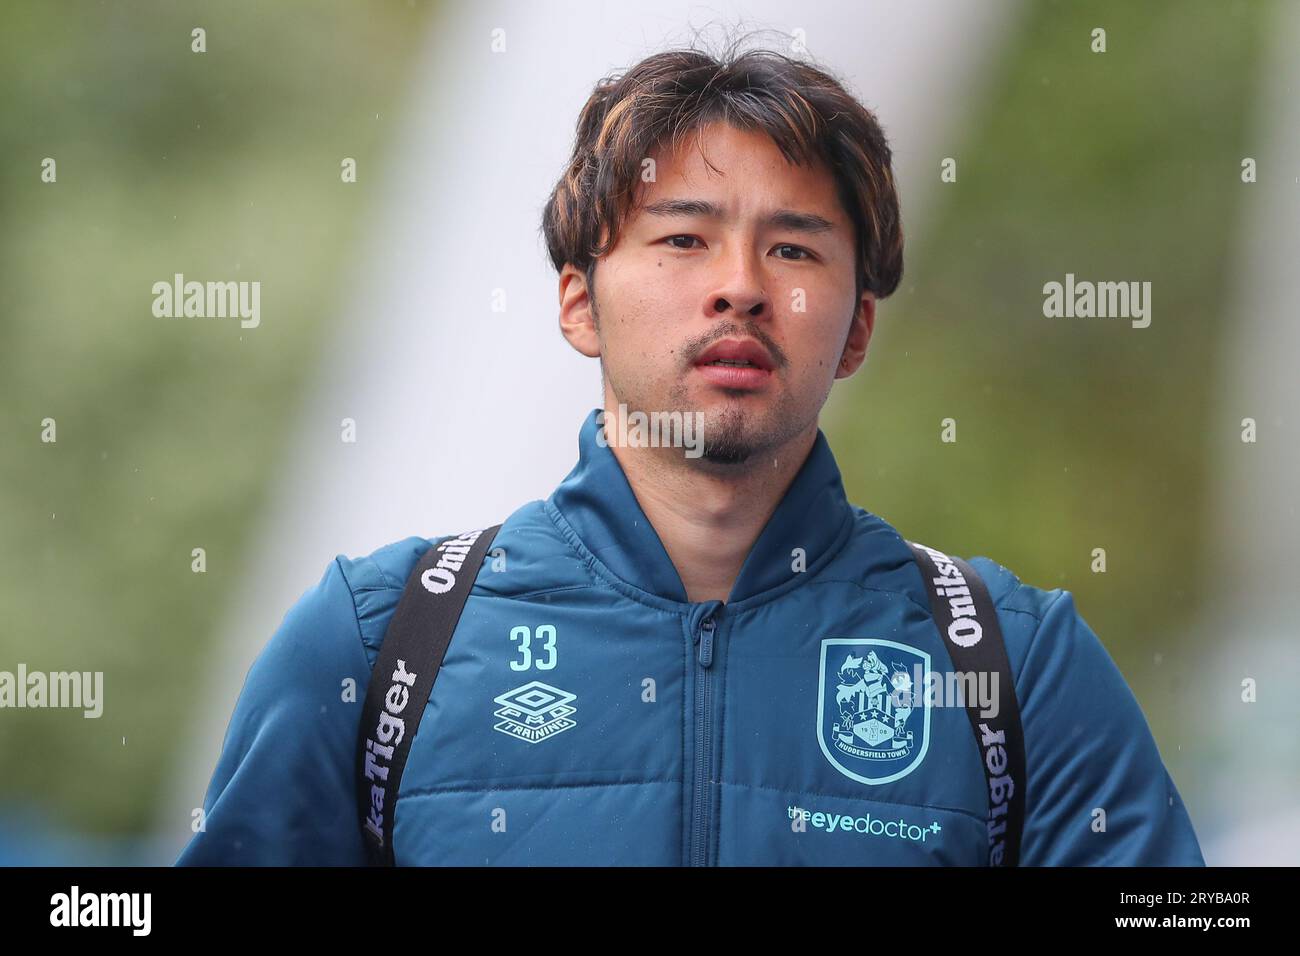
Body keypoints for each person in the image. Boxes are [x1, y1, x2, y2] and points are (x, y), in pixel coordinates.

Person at [175, 44, 1204, 866]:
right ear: (579, 301)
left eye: (794, 247)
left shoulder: (1013, 668)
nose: (740, 287)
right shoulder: (378, 645)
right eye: (682, 238)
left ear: (854, 331)